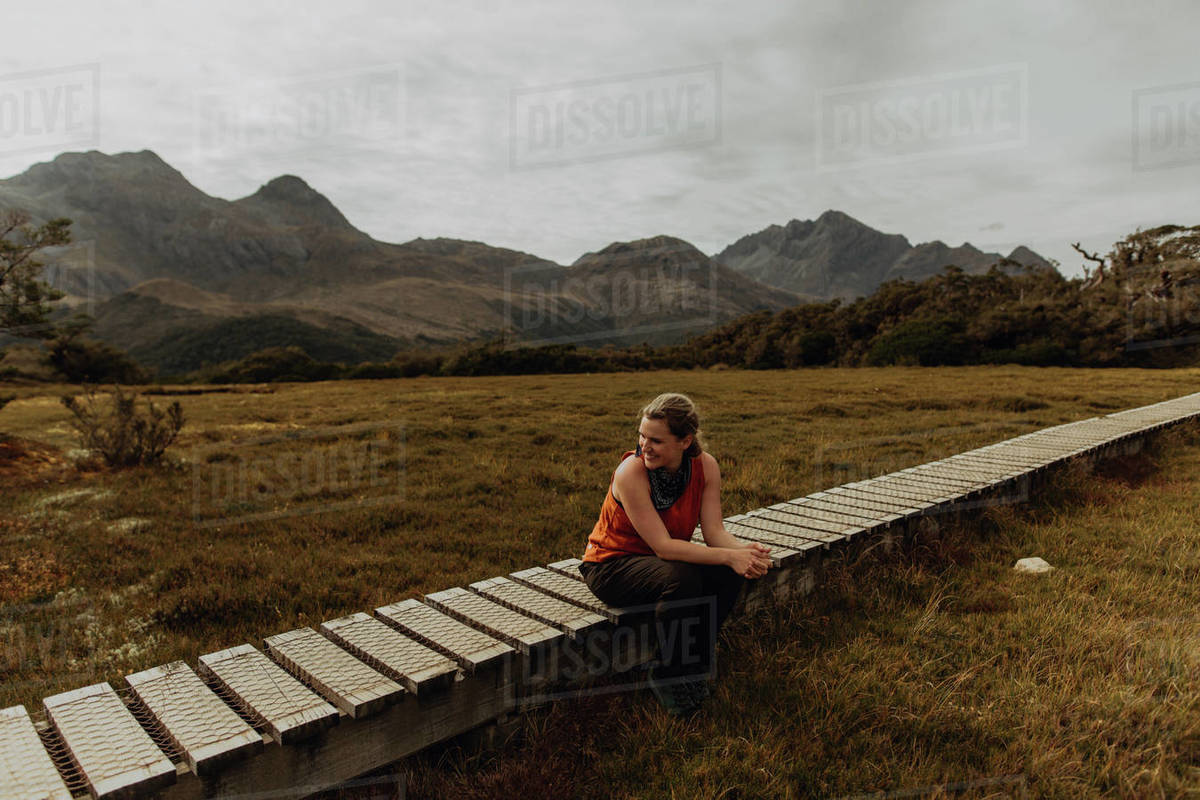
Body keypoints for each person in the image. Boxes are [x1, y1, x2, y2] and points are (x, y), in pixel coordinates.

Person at [579, 392, 772, 717]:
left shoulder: (705, 467)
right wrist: (727, 556)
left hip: (660, 564)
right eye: (642, 436)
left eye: (656, 440)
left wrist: (745, 553)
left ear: (685, 441)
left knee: (727, 572)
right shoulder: (632, 472)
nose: (645, 446)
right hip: (611, 567)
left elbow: (714, 533)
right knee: (683, 578)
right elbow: (664, 547)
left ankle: (694, 663)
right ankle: (667, 672)